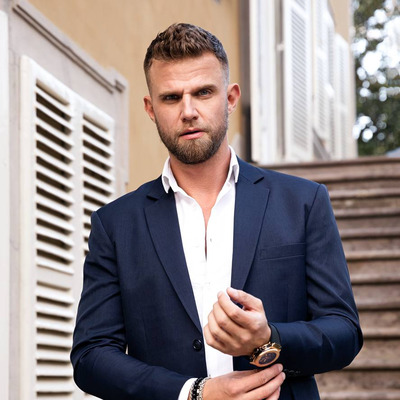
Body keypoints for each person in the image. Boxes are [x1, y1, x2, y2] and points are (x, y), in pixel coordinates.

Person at [71, 23, 363, 400]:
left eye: (203, 92)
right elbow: (92, 356)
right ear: (150, 108)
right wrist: (193, 393)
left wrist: (269, 338)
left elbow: (344, 332)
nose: (188, 111)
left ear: (230, 97)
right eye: (171, 98)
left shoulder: (303, 202)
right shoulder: (115, 225)